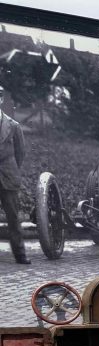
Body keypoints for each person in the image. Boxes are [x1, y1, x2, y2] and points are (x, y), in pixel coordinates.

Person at [0, 86, 28, 264]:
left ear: (1, 100)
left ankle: (20, 255)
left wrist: (11, 170)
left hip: (8, 177)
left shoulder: (13, 126)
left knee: (13, 217)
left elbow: (20, 153)